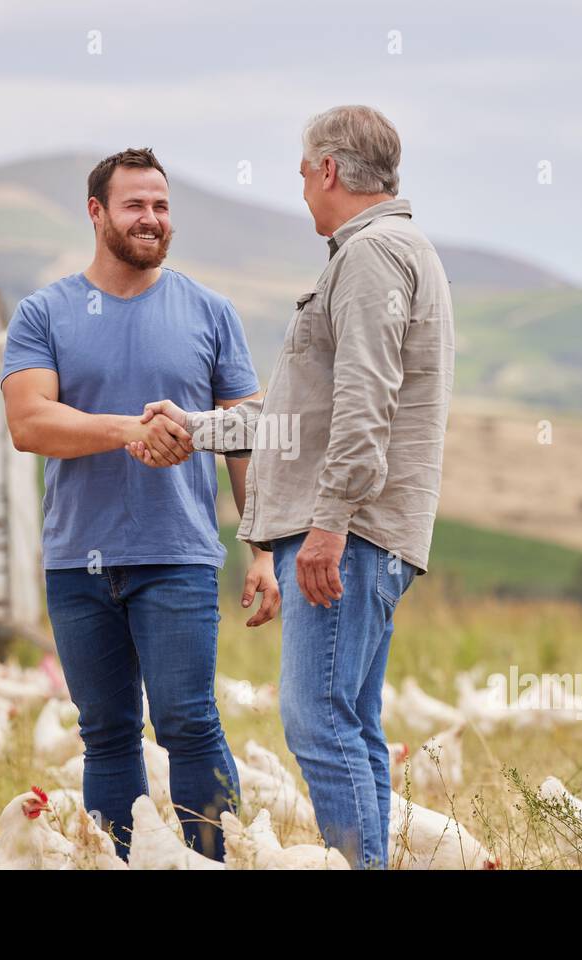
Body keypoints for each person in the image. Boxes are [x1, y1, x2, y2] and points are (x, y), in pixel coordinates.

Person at [129, 106, 455, 868]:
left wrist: (329, 524)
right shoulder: (390, 250)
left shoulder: (372, 256)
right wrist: (197, 427)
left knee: (315, 722)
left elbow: (365, 402)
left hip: (351, 534)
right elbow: (297, 420)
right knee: (352, 722)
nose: (301, 185)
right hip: (370, 531)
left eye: (305, 170)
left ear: (331, 170)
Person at [0, 147, 279, 861]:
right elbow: (29, 423)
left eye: (161, 206)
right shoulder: (45, 313)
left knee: (188, 723)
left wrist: (261, 547)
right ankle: (124, 860)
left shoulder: (210, 312)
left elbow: (247, 433)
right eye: (135, 205)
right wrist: (132, 430)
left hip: (178, 554)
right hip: (77, 562)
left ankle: (211, 862)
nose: (151, 219)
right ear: (97, 213)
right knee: (107, 734)